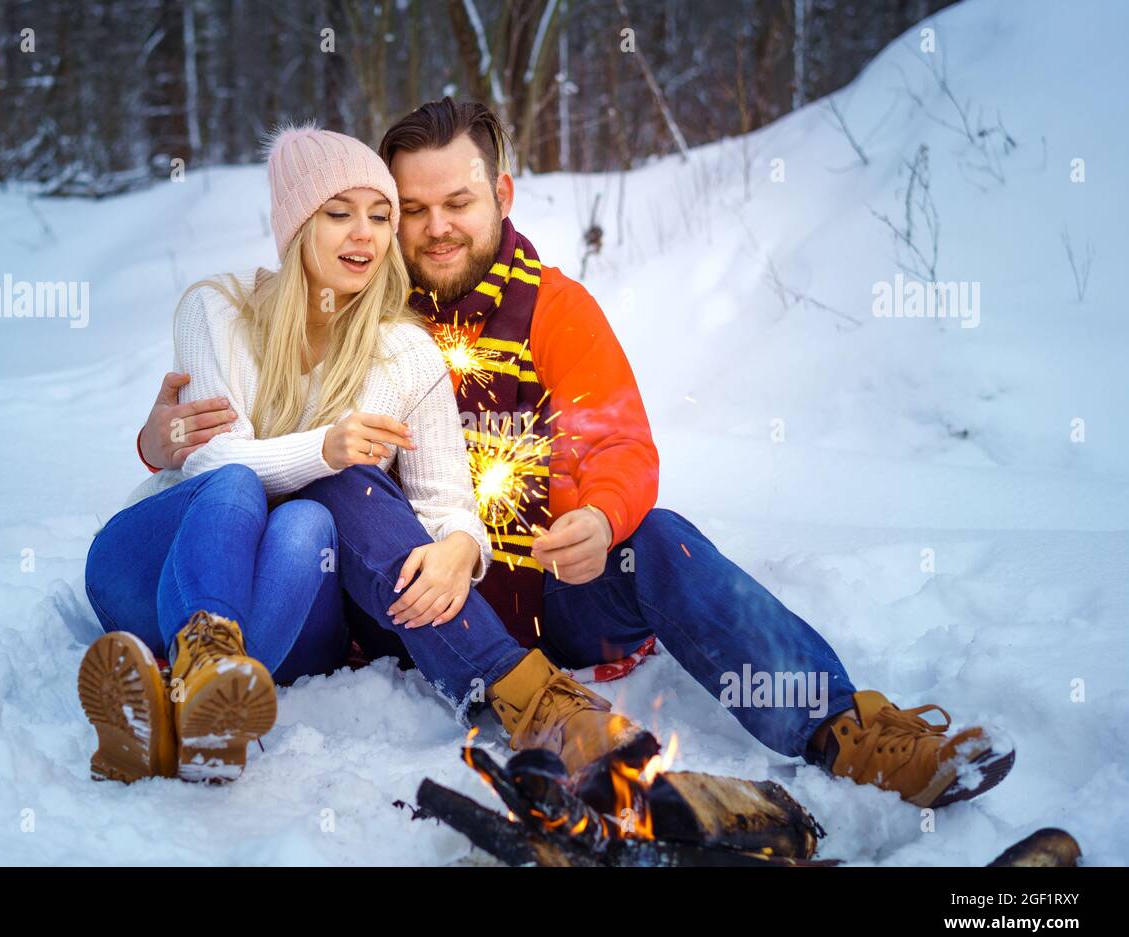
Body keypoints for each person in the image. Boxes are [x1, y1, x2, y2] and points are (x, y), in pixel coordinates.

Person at [135, 100, 1015, 808]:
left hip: (553, 591)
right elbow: (254, 423)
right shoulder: (374, 313)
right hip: (411, 603)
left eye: (459, 202)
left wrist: (600, 513)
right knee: (351, 481)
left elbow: (619, 438)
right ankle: (532, 708)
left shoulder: (554, 310)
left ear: (503, 195)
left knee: (660, 537)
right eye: (413, 210)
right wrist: (157, 439)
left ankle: (842, 729)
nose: (434, 228)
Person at [80, 124, 498, 784]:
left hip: (295, 604)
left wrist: (463, 547)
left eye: (380, 216)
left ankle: (180, 704)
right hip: (155, 565)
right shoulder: (215, 309)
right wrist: (325, 448)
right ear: (297, 224)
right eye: (338, 213)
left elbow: (451, 504)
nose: (364, 233)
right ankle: (201, 676)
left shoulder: (406, 353)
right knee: (238, 484)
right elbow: (214, 463)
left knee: (310, 524)